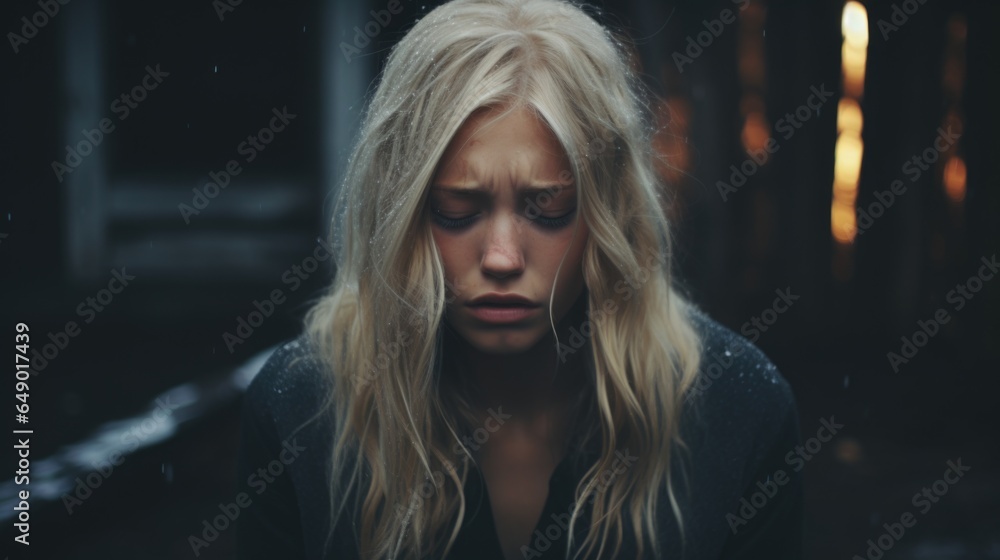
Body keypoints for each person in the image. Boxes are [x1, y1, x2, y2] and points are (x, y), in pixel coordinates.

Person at [235, 0, 802, 558]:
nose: (502, 258)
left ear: (609, 212)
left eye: (548, 208)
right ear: (400, 210)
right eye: (457, 210)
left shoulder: (736, 409)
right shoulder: (302, 409)